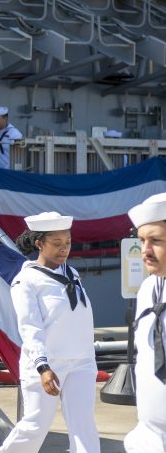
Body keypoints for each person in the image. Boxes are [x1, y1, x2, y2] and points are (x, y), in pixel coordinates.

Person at [0, 212, 100, 453]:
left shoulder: (71, 274)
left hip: (81, 362)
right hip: (47, 364)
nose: (64, 249)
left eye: (68, 242)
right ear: (39, 243)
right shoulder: (26, 281)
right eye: (56, 243)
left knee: (84, 426)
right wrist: (42, 367)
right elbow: (29, 327)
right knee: (35, 426)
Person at [124, 193, 166, 453]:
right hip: (148, 436)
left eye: (156, 241)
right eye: (141, 241)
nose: (145, 250)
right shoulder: (148, 288)